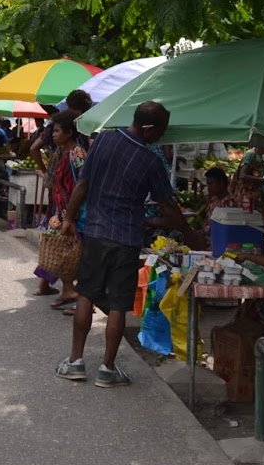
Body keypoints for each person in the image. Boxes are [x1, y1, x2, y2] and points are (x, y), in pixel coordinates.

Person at [57, 101, 188, 388]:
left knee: (86, 294)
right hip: (127, 238)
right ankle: (107, 368)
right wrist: (187, 231)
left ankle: (75, 362)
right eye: (161, 131)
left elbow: (83, 185)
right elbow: (167, 204)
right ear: (149, 128)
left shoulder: (103, 140)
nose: (161, 138)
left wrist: (68, 218)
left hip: (96, 232)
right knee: (118, 304)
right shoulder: (150, 160)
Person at [36, 113, 87, 303]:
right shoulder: (63, 152)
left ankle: (78, 297)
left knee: (73, 252)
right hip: (62, 213)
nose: (54, 135)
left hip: (74, 214)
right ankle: (66, 290)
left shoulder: (77, 153)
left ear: (69, 132)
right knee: (61, 251)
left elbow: (83, 184)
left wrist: (70, 217)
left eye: (57, 131)